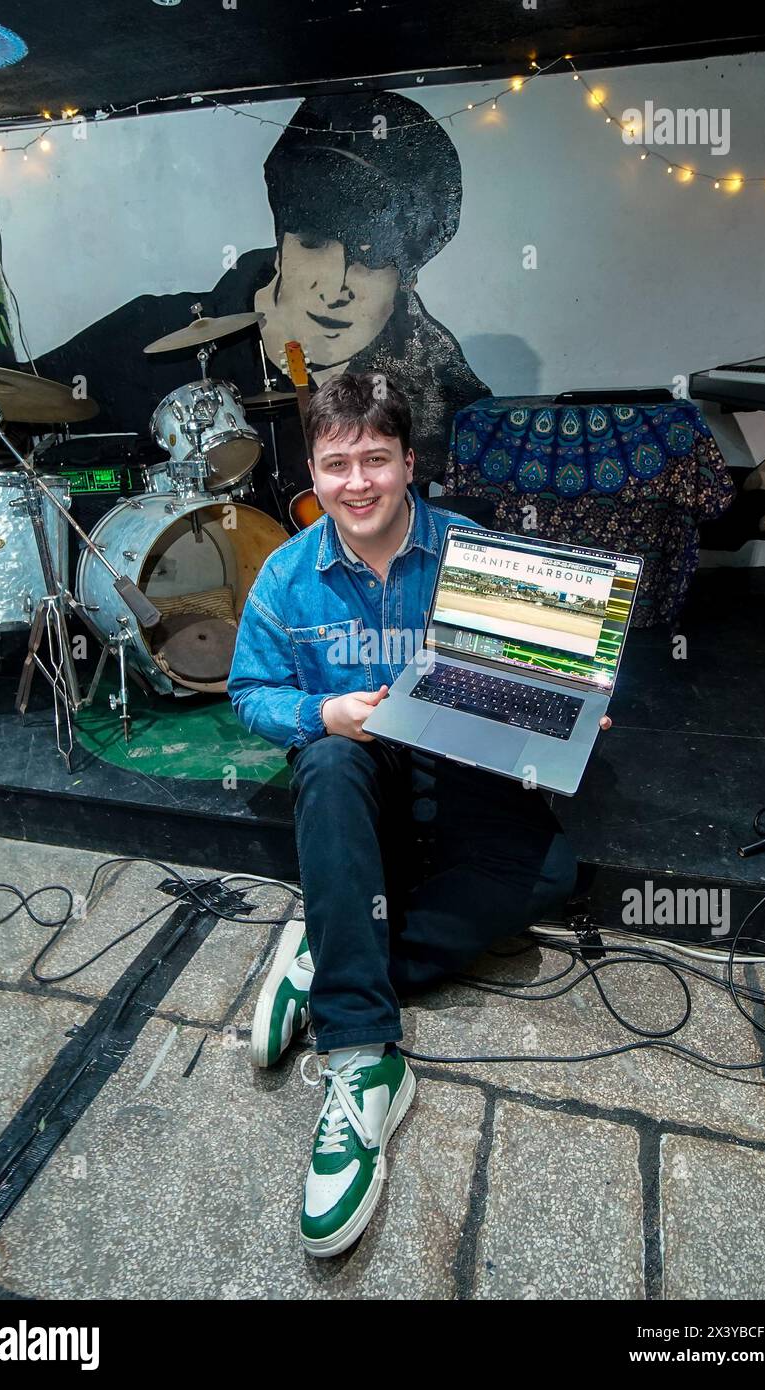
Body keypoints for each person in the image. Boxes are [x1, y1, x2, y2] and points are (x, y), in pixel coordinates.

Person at [227, 372, 610, 1259]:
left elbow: (537, 679)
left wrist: (572, 701)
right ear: (312, 475)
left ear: (409, 463)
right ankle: (364, 1060)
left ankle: (330, 955)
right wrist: (322, 714)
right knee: (324, 764)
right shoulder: (287, 575)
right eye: (336, 465)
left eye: (375, 460)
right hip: (355, 779)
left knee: (550, 873)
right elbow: (249, 691)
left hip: (461, 769)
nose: (356, 483)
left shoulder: (475, 554)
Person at [36, 91, 488, 490]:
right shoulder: (154, 335)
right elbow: (13, 394)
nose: (333, 289)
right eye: (314, 243)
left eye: (370, 261)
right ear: (281, 245)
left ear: (406, 277)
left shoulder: (438, 387)